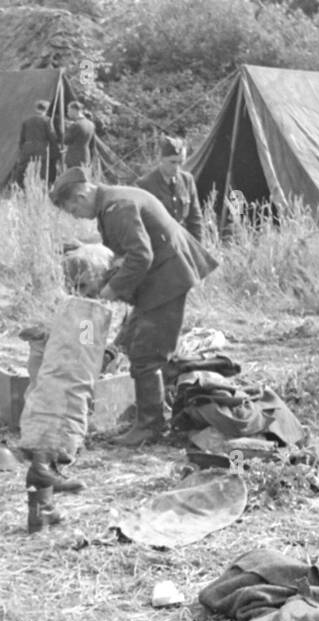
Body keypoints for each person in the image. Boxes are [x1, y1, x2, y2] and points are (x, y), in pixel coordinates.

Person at [49, 166, 219, 447]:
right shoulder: (112, 202)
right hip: (164, 275)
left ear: (80, 196)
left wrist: (110, 290)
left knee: (146, 354)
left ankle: (150, 427)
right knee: (137, 339)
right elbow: (130, 252)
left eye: (72, 210)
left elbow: (140, 256)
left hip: (168, 278)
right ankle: (155, 414)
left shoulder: (118, 207)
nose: (76, 216)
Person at [135, 135, 204, 242]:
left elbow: (195, 220)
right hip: (159, 245)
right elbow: (140, 225)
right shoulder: (145, 184)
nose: (177, 167)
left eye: (181, 162)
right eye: (172, 162)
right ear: (161, 159)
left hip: (183, 241)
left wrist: (198, 249)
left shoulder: (187, 180)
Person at [15, 99, 59, 188]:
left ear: (36, 109)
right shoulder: (47, 120)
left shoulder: (27, 120)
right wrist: (55, 146)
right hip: (41, 147)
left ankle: (19, 185)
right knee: (43, 169)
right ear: (46, 110)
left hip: (28, 146)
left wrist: (21, 148)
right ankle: (43, 186)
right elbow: (52, 136)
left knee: (21, 167)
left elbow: (22, 137)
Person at [62, 101, 95, 171]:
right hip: (86, 157)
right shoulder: (91, 124)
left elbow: (65, 141)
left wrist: (67, 128)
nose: (67, 113)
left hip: (73, 158)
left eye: (69, 110)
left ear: (74, 110)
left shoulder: (75, 125)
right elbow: (92, 144)